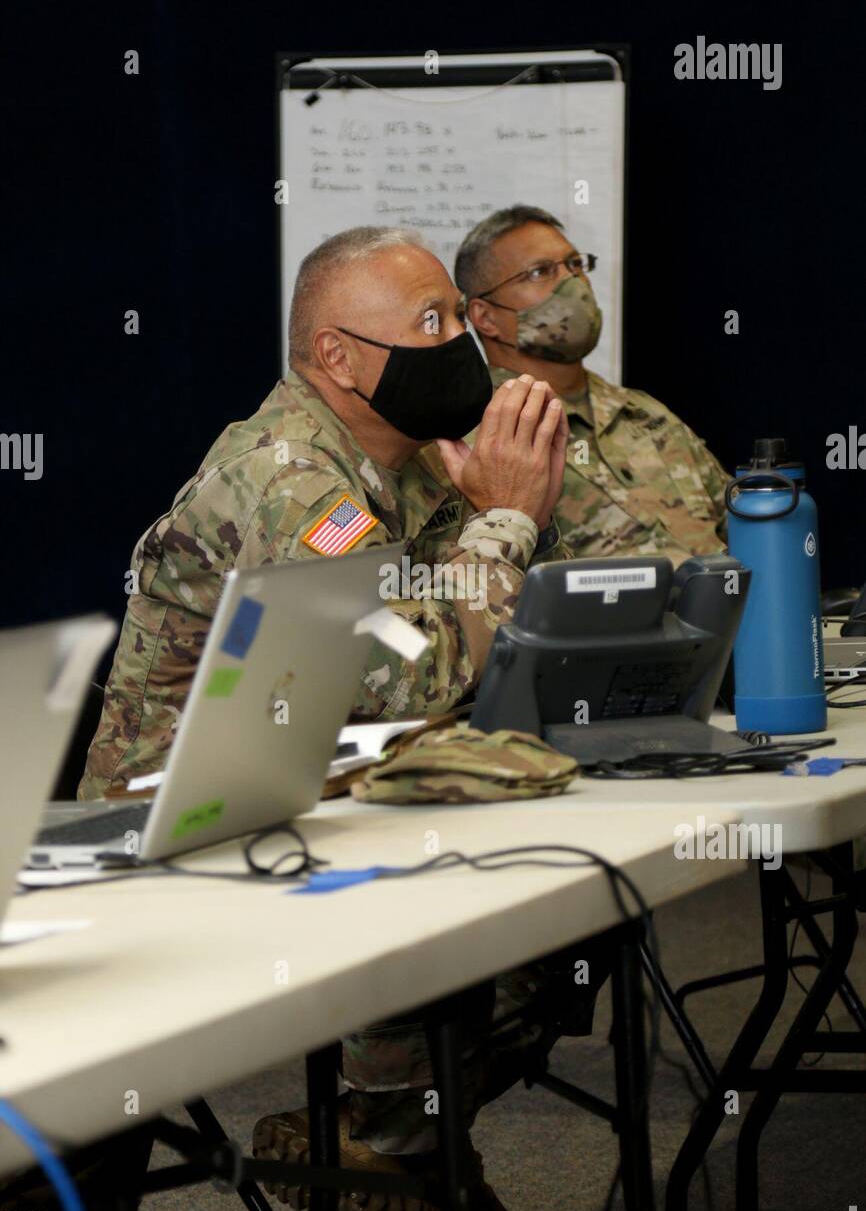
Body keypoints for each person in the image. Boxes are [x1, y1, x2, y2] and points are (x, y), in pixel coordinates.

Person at [79, 226, 567, 799]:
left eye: (460, 316)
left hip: (326, 798)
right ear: (338, 357)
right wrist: (507, 518)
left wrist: (527, 511)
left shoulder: (429, 460)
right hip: (171, 832)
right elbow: (405, 680)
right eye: (433, 321)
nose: (462, 340)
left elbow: (532, 638)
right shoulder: (286, 483)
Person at [456, 204, 730, 567]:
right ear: (486, 317)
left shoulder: (643, 412)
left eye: (574, 265)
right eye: (541, 272)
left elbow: (741, 523)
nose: (572, 283)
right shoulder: (483, 439)